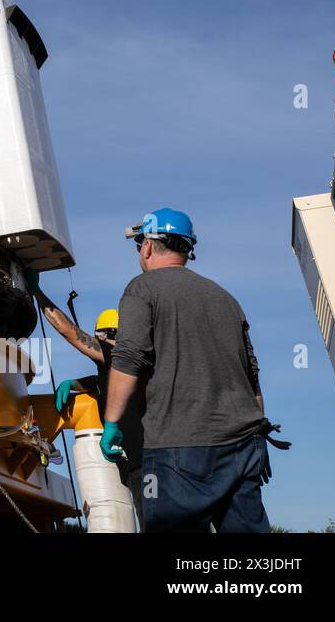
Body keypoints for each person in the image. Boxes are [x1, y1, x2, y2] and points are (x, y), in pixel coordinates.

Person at [101, 208, 281, 533]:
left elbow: (128, 358)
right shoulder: (226, 299)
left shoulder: (143, 288)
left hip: (179, 450)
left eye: (139, 243)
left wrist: (111, 423)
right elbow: (252, 377)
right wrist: (259, 436)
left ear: (148, 246)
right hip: (244, 445)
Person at [27, 275, 144, 528]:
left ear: (103, 336)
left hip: (143, 462)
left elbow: (68, 331)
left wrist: (37, 293)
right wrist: (78, 384)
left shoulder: (115, 353)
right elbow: (107, 379)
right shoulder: (137, 361)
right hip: (146, 459)